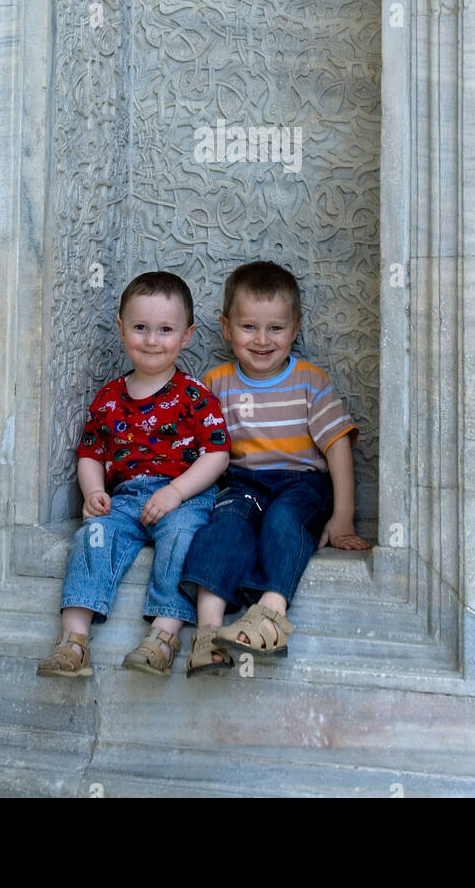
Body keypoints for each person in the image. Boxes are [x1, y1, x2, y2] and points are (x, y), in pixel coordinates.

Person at [36, 271, 230, 679]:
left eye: (165, 330)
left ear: (187, 335)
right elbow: (90, 452)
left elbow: (217, 454)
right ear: (122, 330)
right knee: (92, 535)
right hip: (123, 499)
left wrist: (177, 493)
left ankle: (163, 636)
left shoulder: (194, 395)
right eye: (140, 328)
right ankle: (74, 641)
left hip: (185, 497)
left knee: (180, 539)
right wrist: (92, 492)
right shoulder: (109, 398)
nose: (152, 340)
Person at [180, 260, 369, 676]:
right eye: (249, 327)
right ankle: (208, 633)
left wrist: (341, 518)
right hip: (243, 483)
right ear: (227, 328)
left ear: (295, 329)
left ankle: (270, 613)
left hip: (302, 485)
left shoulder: (309, 382)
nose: (262, 340)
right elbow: (197, 450)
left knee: (283, 521)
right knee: (224, 525)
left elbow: (338, 448)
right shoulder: (215, 383)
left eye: (276, 328)